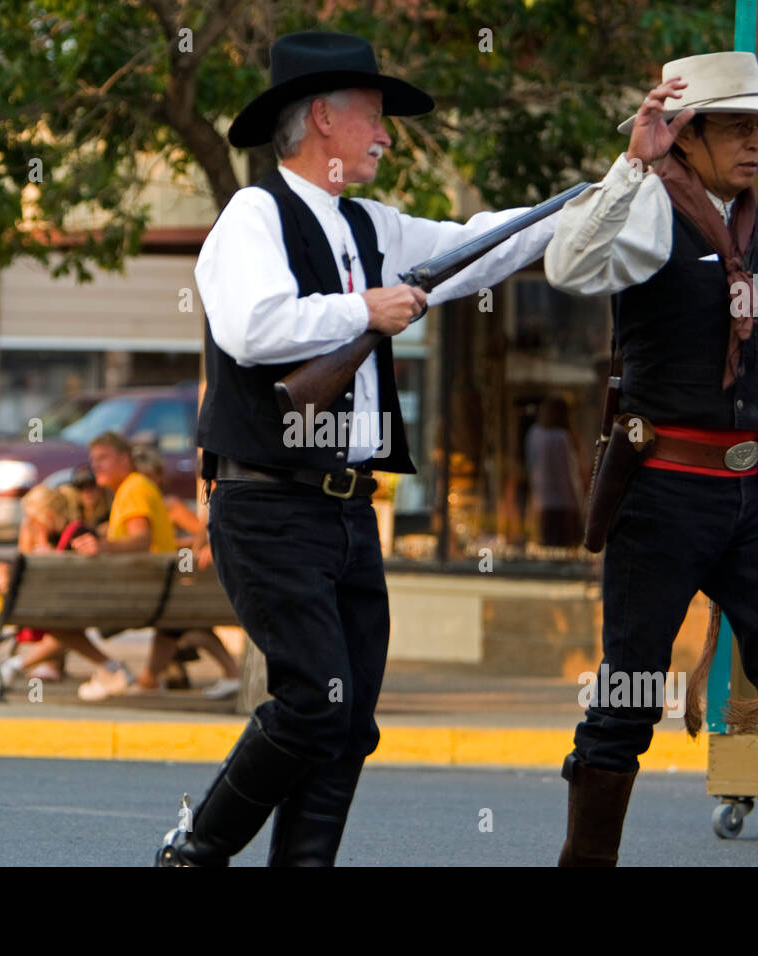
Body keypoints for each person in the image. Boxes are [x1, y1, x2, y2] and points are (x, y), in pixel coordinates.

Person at [158, 31, 567, 867]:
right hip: (268, 500)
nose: (386, 134)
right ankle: (194, 851)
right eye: (374, 116)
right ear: (320, 118)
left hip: (347, 511)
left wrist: (610, 186)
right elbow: (253, 327)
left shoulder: (370, 223)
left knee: (348, 724)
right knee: (312, 703)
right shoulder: (253, 214)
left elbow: (485, 246)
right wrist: (362, 310)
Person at [544, 51, 758, 866]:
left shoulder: (751, 226)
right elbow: (568, 265)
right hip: (660, 492)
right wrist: (631, 164)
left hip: (747, 500)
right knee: (628, 707)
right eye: (737, 125)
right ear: (685, 134)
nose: (756, 142)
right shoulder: (645, 209)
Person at [11, 431, 177, 701]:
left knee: (52, 614)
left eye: (103, 458)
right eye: (93, 459)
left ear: (125, 459)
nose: (95, 465)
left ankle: (110, 668)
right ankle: (139, 677)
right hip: (161, 593)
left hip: (144, 594)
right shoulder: (135, 487)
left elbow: (142, 539)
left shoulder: (133, 487)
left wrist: (103, 546)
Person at [129, 445, 241, 700]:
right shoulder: (152, 504)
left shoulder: (169, 505)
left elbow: (200, 532)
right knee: (177, 620)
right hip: (179, 579)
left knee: (182, 622)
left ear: (158, 475)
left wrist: (186, 547)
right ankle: (159, 675)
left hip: (191, 580)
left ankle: (154, 677)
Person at [0, 483, 88, 687]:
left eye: (33, 520)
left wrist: (40, 542)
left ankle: (20, 663)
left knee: (59, 623)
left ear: (46, 515)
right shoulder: (70, 531)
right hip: (58, 605)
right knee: (1, 570)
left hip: (59, 608)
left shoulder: (72, 535)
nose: (30, 524)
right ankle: (33, 662)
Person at [524, 397, 585, 547]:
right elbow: (566, 477)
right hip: (563, 505)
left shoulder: (534, 434)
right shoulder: (561, 437)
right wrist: (578, 505)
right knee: (563, 550)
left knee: (548, 547)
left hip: (542, 503)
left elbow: (532, 469)